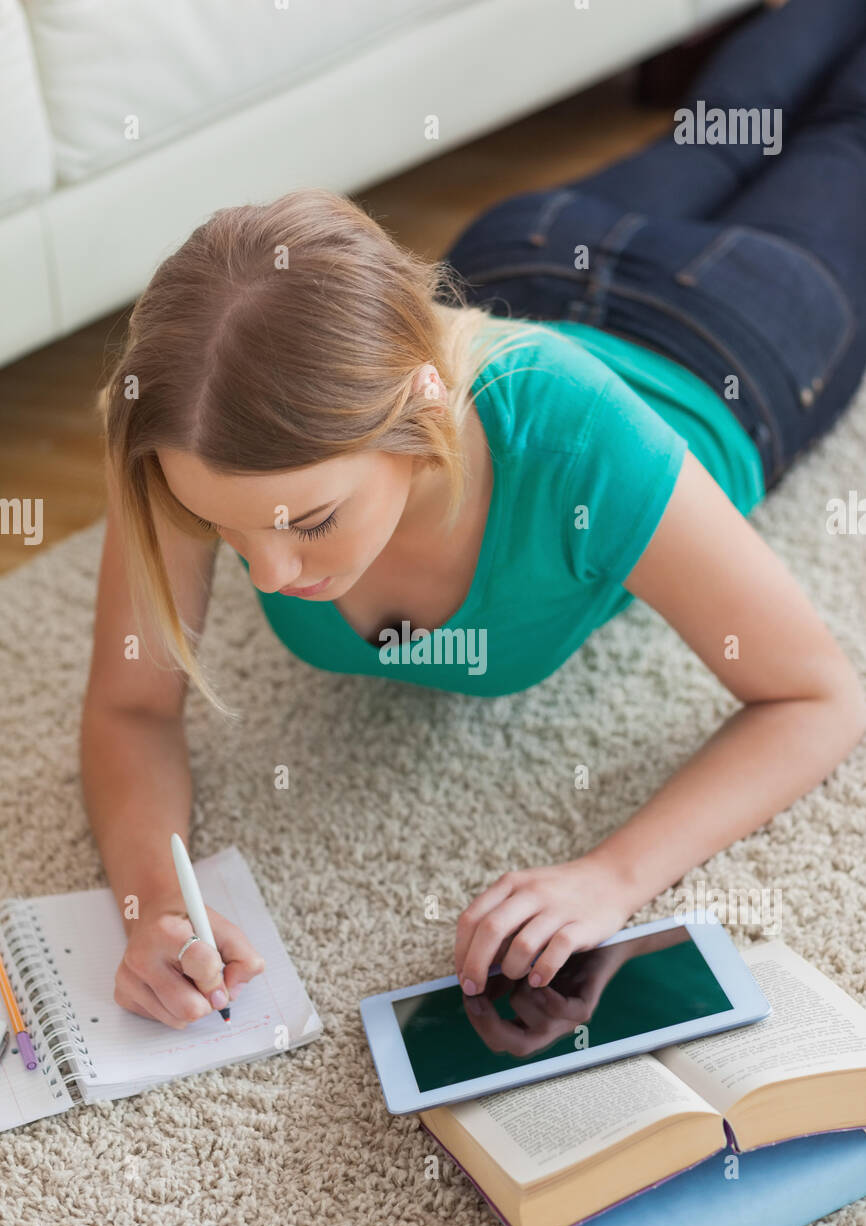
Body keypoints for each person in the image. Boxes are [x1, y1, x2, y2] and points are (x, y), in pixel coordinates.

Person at [83, 0, 866, 1028]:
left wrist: (609, 877)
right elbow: (130, 707)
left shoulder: (574, 438)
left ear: (424, 406)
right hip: (531, 256)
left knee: (835, 128)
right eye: (228, 534)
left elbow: (817, 697)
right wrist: (149, 908)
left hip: (733, 328)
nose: (267, 575)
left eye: (308, 522)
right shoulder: (201, 438)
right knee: (712, 126)